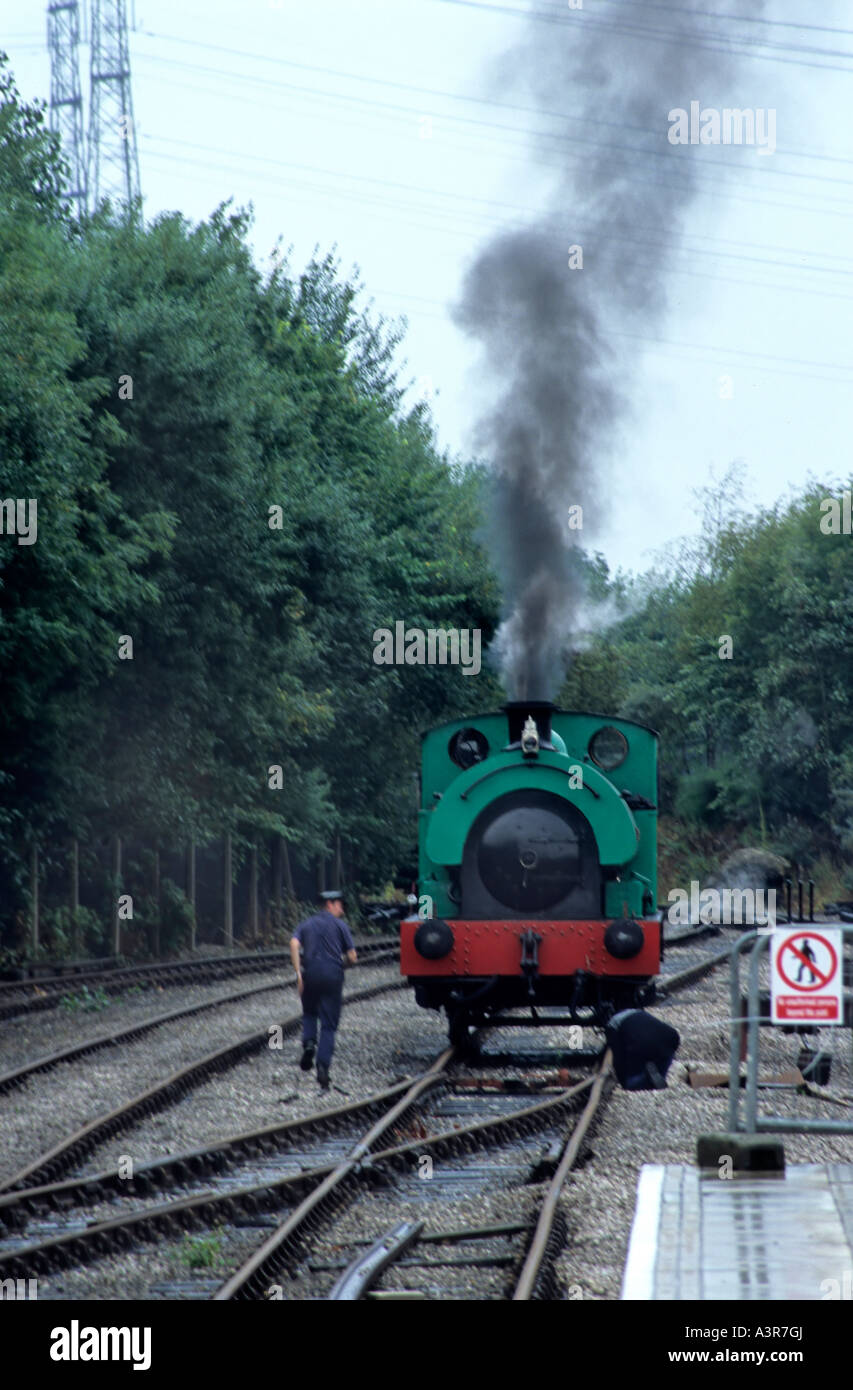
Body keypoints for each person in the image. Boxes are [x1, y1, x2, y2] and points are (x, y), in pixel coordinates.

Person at [290, 890, 357, 1089]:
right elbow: (353, 957)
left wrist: (298, 974)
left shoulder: (307, 924)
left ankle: (309, 1043)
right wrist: (341, 965)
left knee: (310, 1012)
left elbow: (294, 944)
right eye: (339, 904)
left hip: (310, 973)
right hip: (333, 975)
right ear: (330, 904)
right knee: (328, 1024)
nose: (342, 909)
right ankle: (322, 1066)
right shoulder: (340, 926)